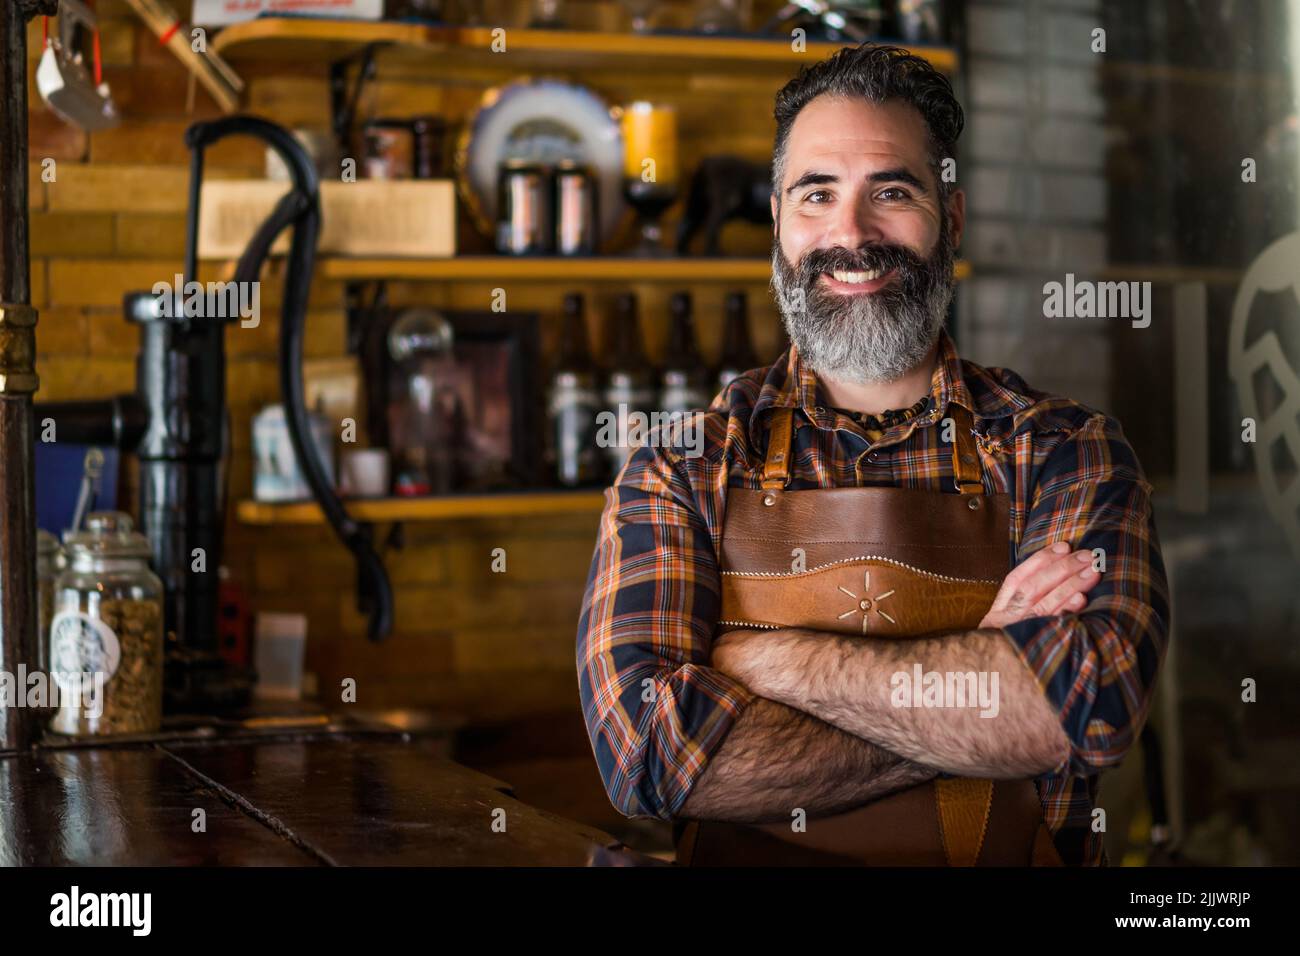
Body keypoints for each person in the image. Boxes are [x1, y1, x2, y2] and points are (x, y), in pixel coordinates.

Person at [576, 44, 1169, 866]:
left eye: (891, 191)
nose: (850, 235)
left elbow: (1080, 709)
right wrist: (975, 689)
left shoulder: (1066, 451)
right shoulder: (685, 464)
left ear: (950, 220)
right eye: (817, 195)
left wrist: (766, 661)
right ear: (778, 225)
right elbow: (649, 756)